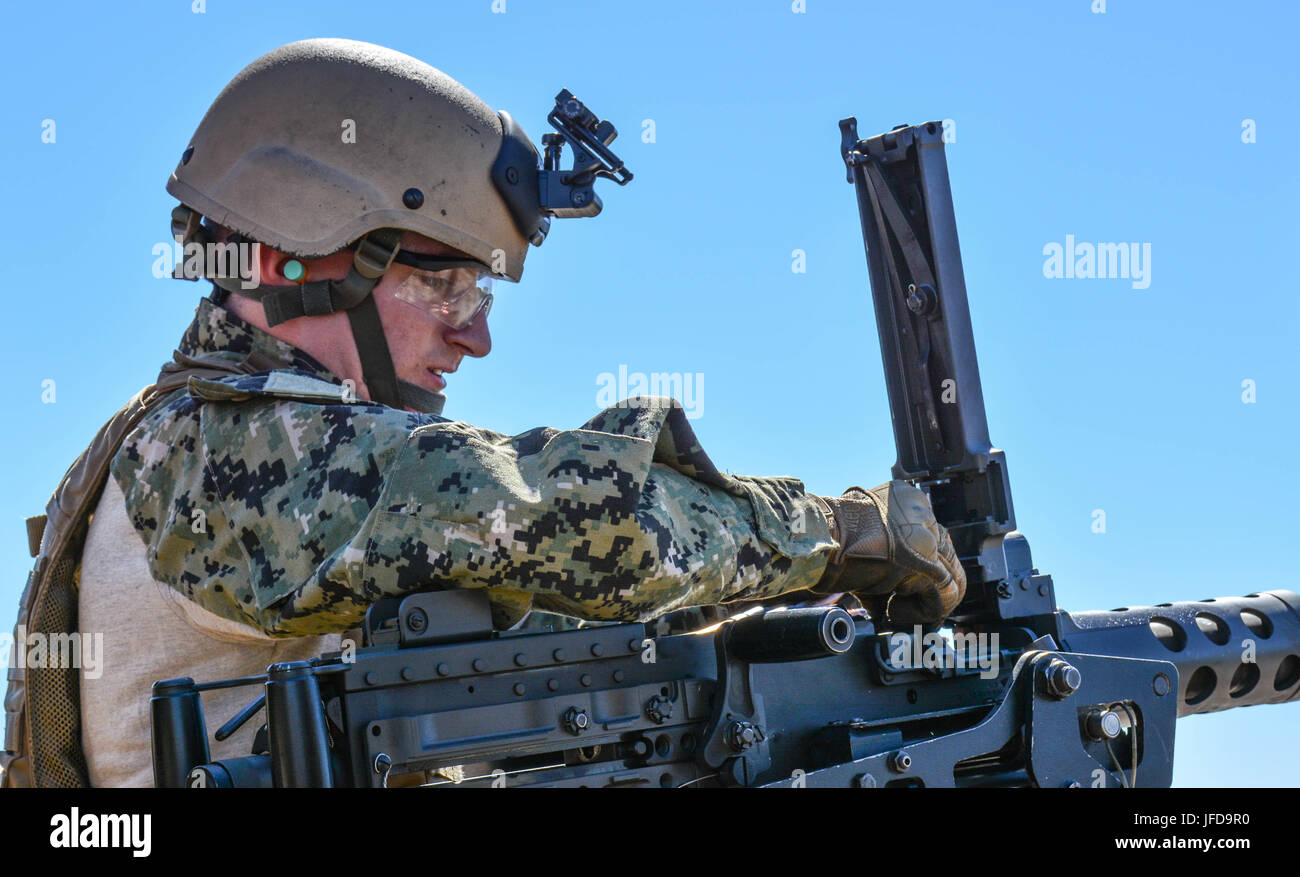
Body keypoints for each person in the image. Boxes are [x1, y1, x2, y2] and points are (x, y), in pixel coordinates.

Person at [1, 38, 963, 788]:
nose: (477, 336)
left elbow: (545, 597)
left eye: (482, 292)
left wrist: (777, 610)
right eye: (445, 284)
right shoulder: (227, 455)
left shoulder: (185, 450)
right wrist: (849, 534)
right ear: (287, 258)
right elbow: (585, 525)